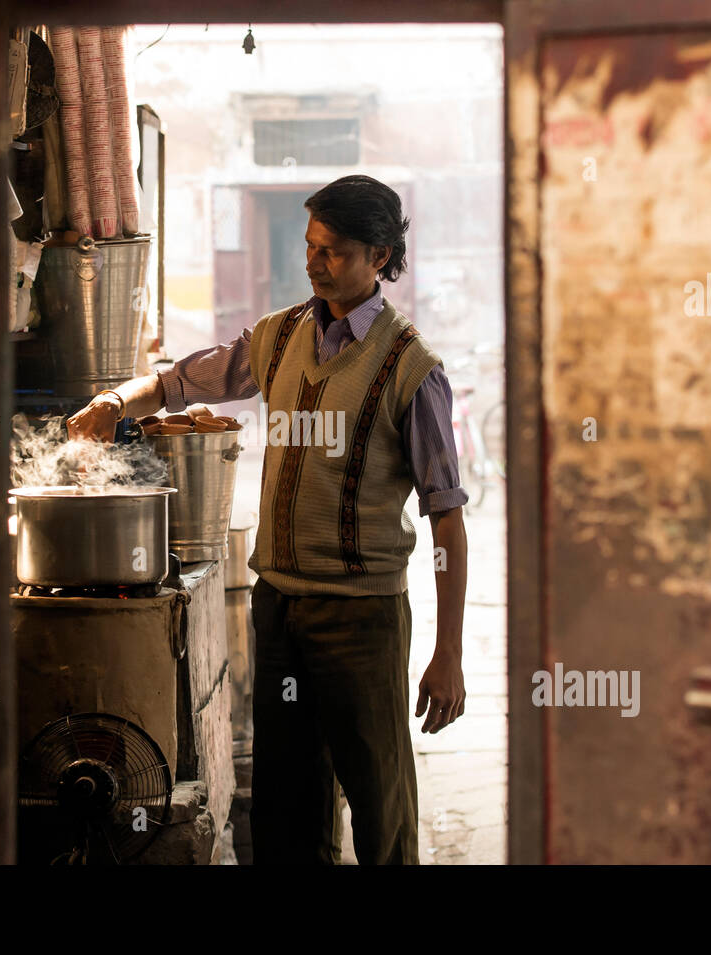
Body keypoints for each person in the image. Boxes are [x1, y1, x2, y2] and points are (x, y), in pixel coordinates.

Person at [67, 174, 467, 864]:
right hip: (278, 607)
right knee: (286, 801)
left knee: (379, 799)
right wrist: (114, 401)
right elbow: (178, 382)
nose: (314, 262)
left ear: (379, 255)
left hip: (361, 618)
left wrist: (450, 652)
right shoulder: (279, 337)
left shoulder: (411, 368)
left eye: (334, 251)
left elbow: (448, 520)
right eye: (310, 245)